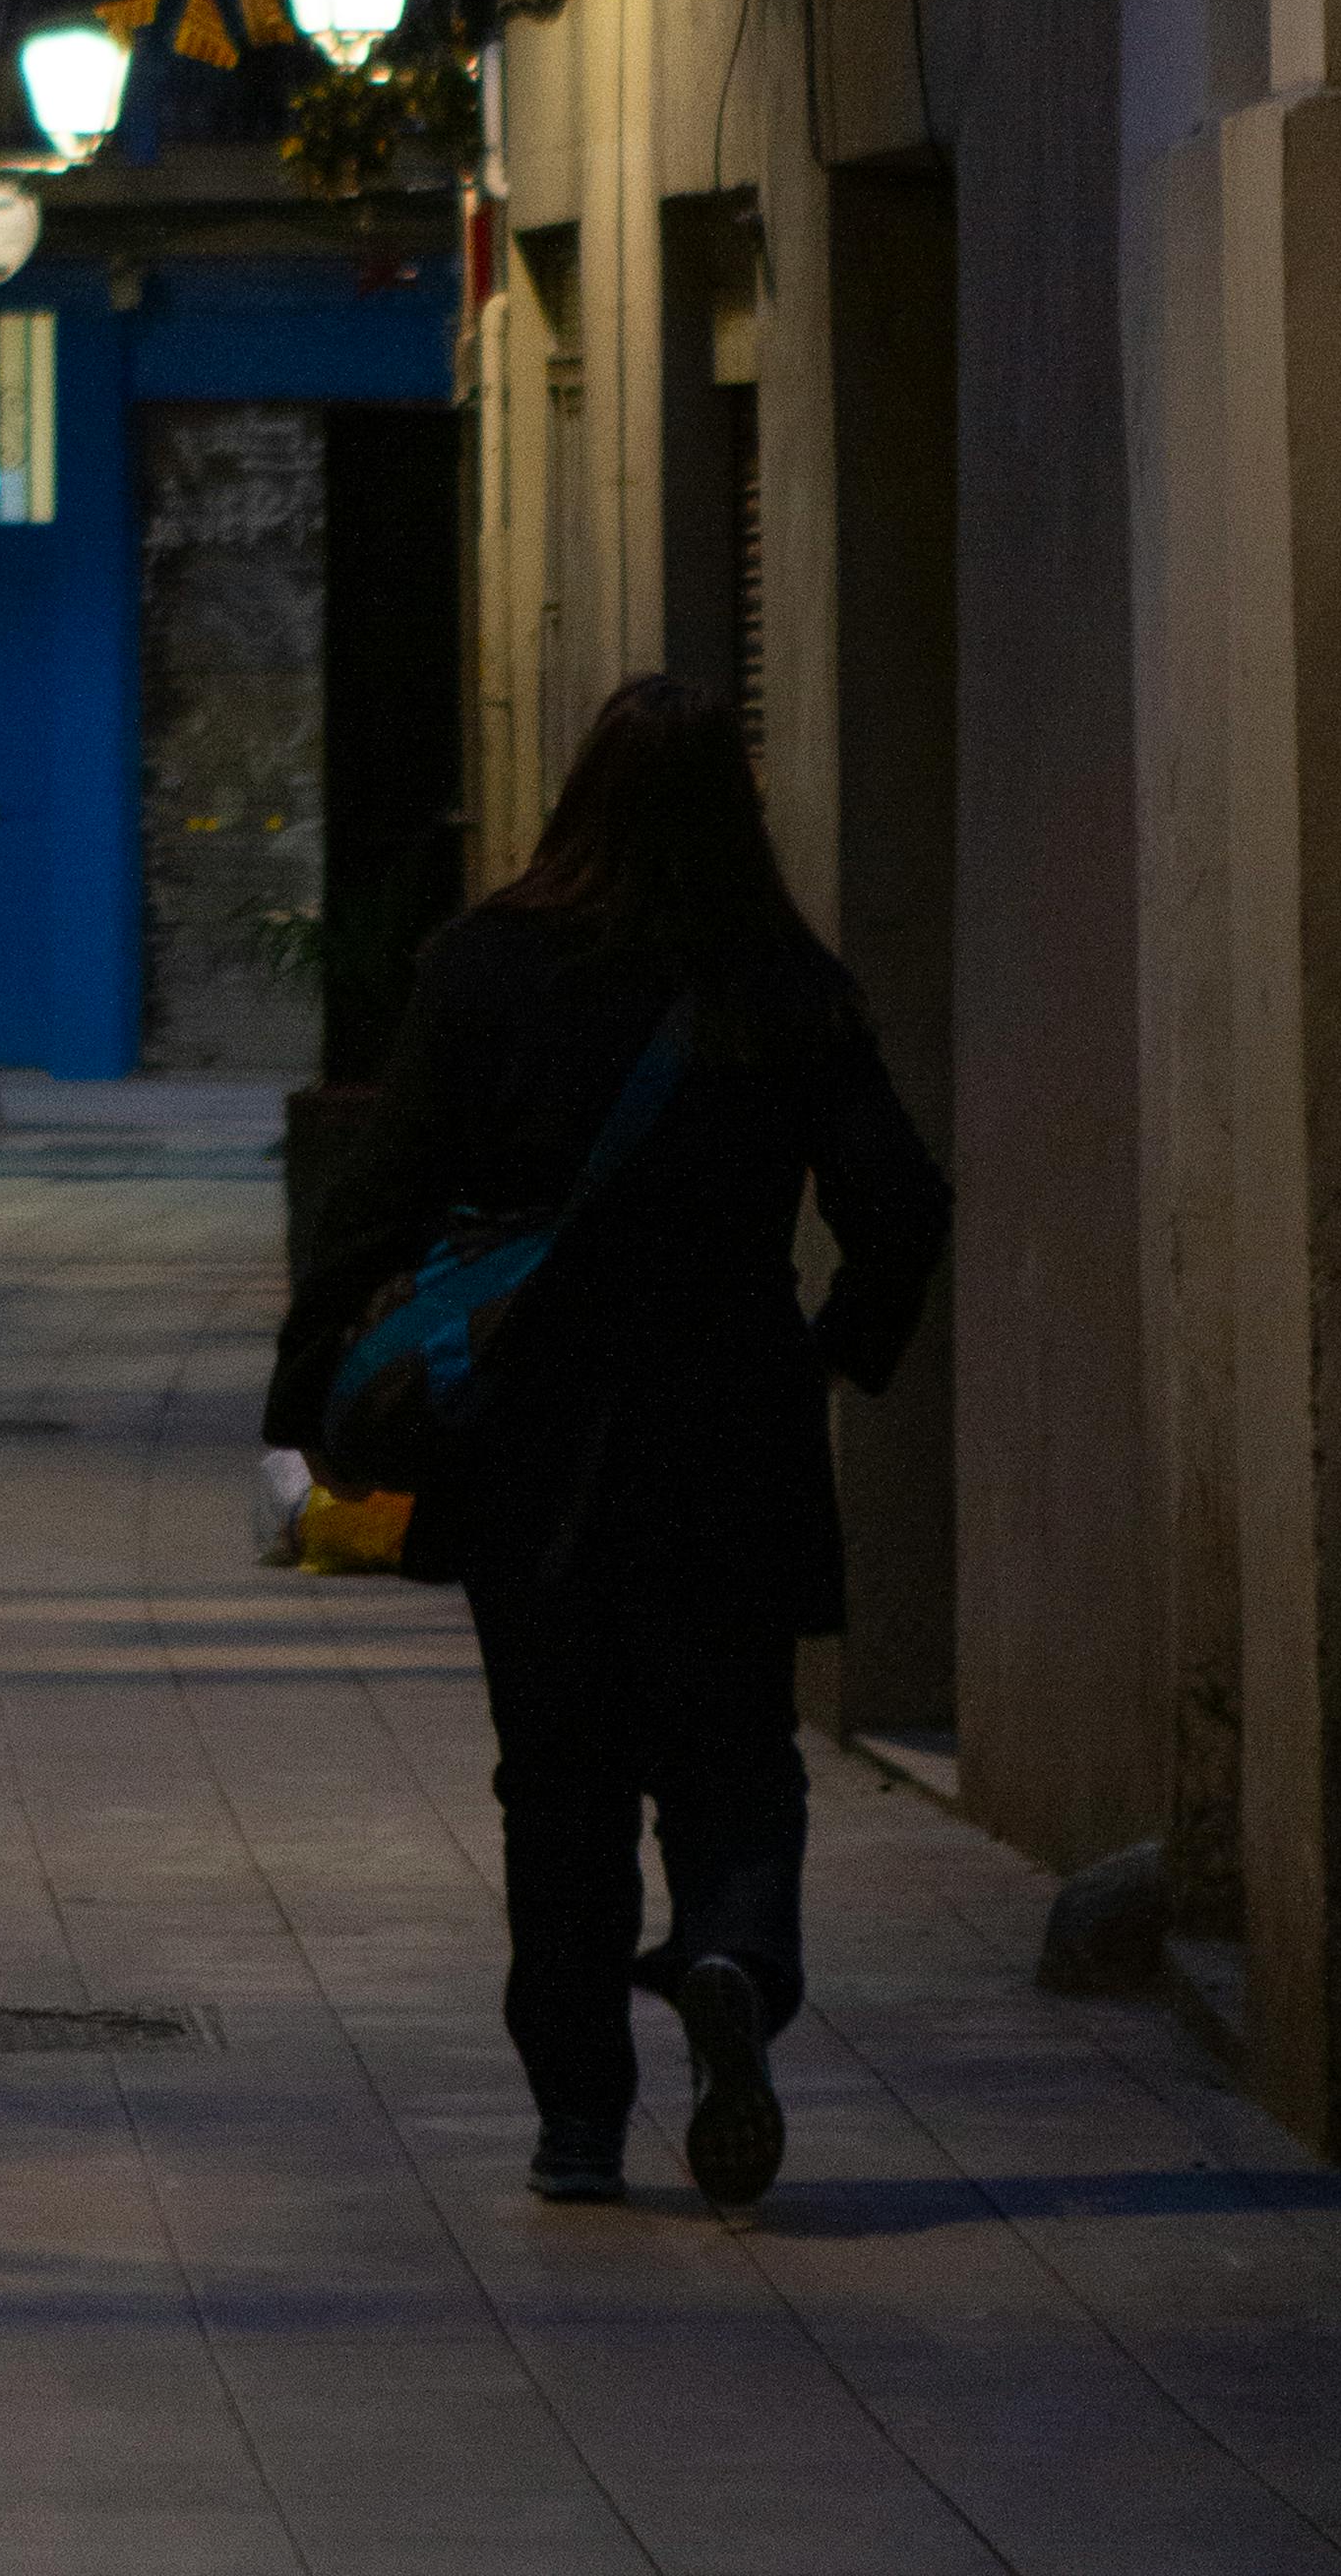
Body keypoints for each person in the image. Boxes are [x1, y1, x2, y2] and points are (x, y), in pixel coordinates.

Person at [266, 675, 951, 2214]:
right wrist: (835, 1355)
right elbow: (901, 1202)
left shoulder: (486, 968)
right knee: (733, 1757)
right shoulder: (781, 980)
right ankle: (732, 1960)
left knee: (560, 1781)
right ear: (741, 817)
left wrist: (318, 1403)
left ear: (576, 797)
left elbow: (373, 1201)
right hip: (732, 1424)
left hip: (535, 1437)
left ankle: (581, 2124)